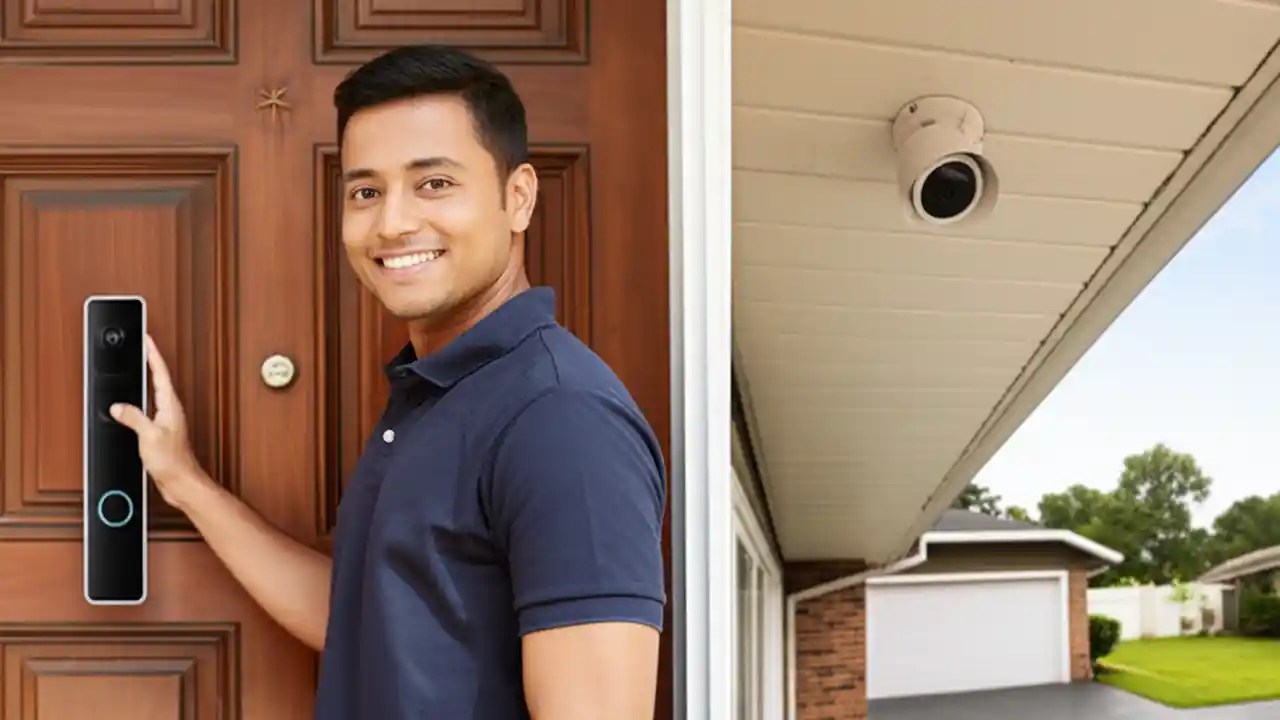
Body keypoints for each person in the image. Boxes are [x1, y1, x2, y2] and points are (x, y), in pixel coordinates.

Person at [109, 44, 667, 719]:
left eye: (434, 183)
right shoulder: (439, 393)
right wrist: (184, 482)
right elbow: (368, 625)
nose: (393, 223)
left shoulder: (560, 418)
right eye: (366, 192)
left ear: (517, 197)